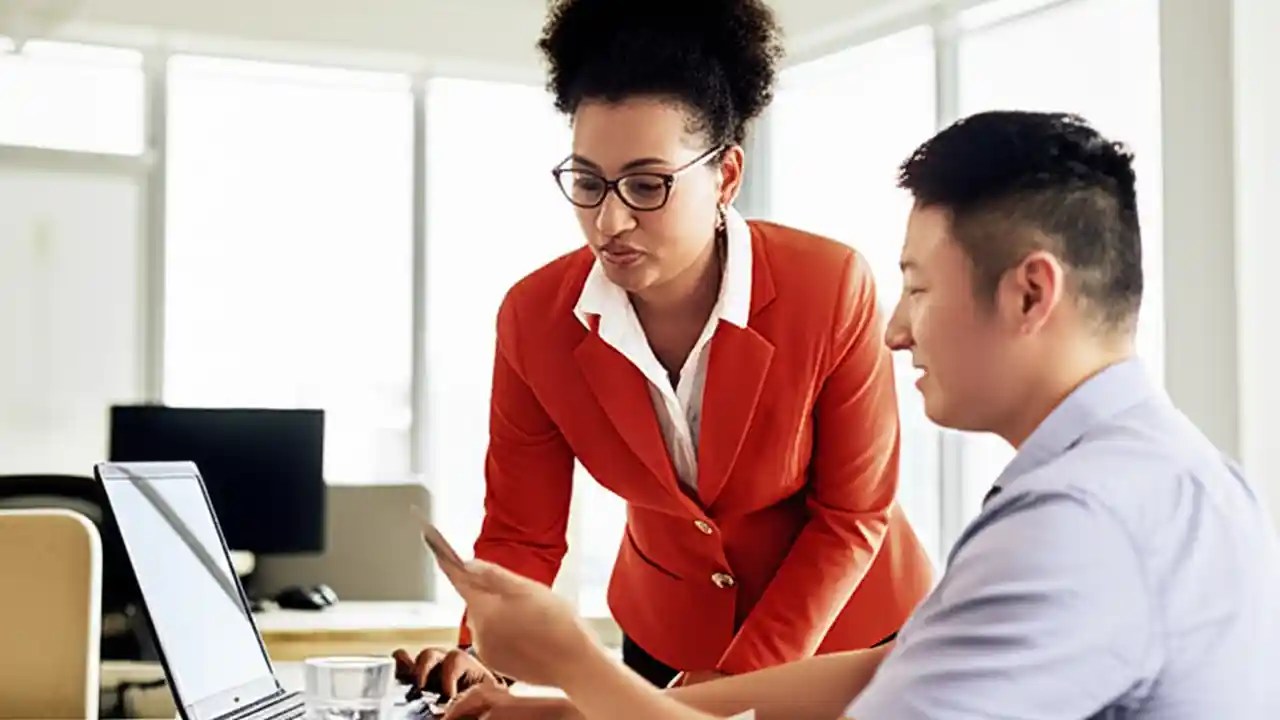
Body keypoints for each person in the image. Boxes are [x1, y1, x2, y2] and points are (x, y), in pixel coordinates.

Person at [438, 110, 1280, 720]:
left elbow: (858, 537)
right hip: (683, 639)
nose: (896, 329)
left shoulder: (1074, 524)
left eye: (918, 287)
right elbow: (893, 672)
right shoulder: (1144, 472)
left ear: (1031, 292)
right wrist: (583, 705)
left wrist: (575, 666)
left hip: (820, 620)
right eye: (588, 182)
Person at [393, 0, 936, 700]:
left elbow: (852, 516)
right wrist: (479, 651)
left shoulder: (829, 286)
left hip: (846, 641)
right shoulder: (534, 319)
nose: (609, 220)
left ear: (726, 177)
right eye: (587, 183)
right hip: (667, 638)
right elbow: (522, 533)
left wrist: (736, 682)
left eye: (647, 185)